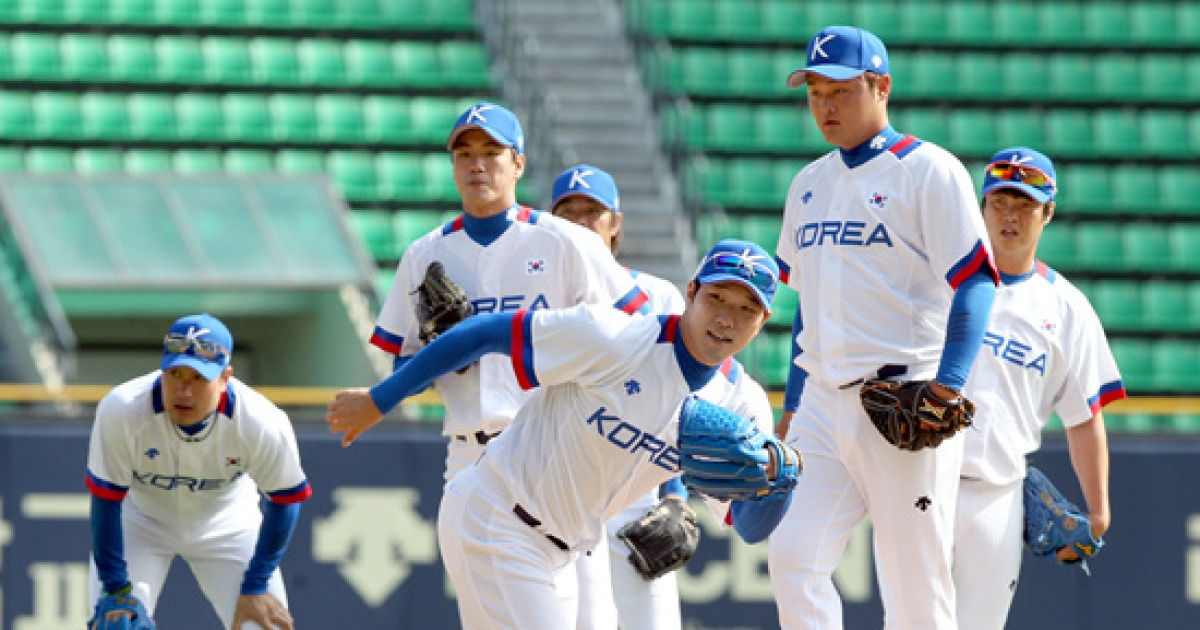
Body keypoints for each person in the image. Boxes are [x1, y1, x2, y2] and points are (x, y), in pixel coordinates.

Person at [328, 239, 791, 629]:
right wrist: (380, 400)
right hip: (499, 518)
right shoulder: (617, 337)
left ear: (763, 321)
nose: (727, 319)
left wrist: (781, 482)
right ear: (691, 292)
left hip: (564, 552)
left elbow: (748, 527)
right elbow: (487, 331)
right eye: (717, 299)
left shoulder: (743, 405)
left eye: (747, 308)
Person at [367, 102, 650, 628]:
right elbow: (398, 361)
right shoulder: (425, 253)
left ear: (518, 163)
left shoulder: (567, 241)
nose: (478, 165)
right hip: (471, 455)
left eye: (491, 152)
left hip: (559, 456)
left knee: (587, 620)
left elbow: (635, 334)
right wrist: (437, 352)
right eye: (465, 153)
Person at [768, 25, 1000, 629]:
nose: (824, 104)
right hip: (821, 400)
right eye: (814, 89)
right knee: (793, 556)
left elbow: (975, 281)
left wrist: (948, 385)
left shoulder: (928, 171)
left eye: (840, 89)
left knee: (915, 588)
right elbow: (806, 308)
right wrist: (793, 405)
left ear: (881, 86)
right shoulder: (808, 183)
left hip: (904, 397)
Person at [953, 147, 1125, 628]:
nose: (1010, 216)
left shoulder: (1067, 307)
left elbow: (1084, 417)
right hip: (918, 479)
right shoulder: (936, 281)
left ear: (1048, 213)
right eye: (1000, 202)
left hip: (997, 494)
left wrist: (1099, 510)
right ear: (981, 207)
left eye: (1025, 204)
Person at [85, 313, 311, 630]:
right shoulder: (123, 409)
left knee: (263, 626)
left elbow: (286, 500)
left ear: (224, 378)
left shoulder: (260, 421)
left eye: (198, 378)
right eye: (175, 374)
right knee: (117, 625)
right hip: (141, 521)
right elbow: (106, 501)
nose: (184, 390)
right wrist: (116, 588)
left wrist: (257, 583)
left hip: (228, 522)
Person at [550, 164, 690, 630]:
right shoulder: (535, 297)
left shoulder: (657, 295)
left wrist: (675, 496)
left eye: (593, 211)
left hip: (636, 491)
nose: (579, 221)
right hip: (556, 493)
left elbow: (683, 404)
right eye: (566, 212)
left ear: (616, 224)